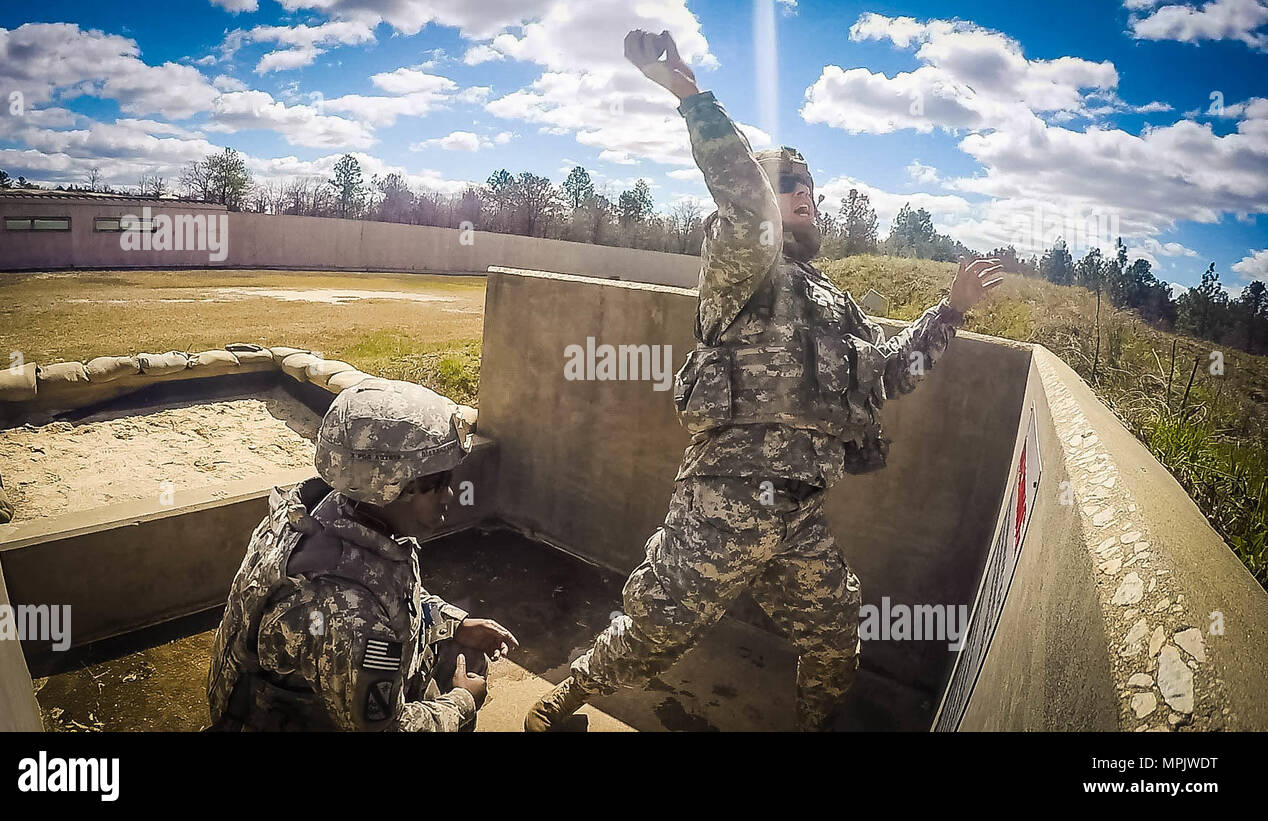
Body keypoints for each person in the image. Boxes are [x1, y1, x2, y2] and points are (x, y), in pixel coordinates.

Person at [524, 29, 1004, 732]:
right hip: (724, 501)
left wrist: (952, 309)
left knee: (837, 637)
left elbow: (891, 376)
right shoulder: (742, 267)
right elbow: (745, 203)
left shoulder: (837, 305)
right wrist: (693, 98)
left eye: (807, 186)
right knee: (660, 627)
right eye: (787, 184)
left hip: (800, 515)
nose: (800, 194)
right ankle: (570, 692)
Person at [208, 378, 518, 731]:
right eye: (436, 484)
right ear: (392, 487)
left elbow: (392, 591)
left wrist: (453, 624)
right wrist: (462, 701)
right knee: (462, 687)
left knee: (461, 653)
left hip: (303, 690)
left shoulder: (339, 511)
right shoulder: (351, 615)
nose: (450, 495)